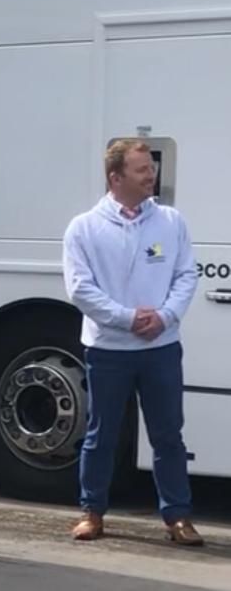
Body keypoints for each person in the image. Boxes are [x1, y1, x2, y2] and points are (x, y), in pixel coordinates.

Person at [62, 139, 202, 546]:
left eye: (151, 168)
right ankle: (92, 512)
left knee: (168, 435)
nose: (151, 175)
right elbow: (80, 289)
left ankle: (178, 517)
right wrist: (127, 318)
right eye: (142, 169)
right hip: (108, 350)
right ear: (115, 177)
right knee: (101, 434)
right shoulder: (84, 227)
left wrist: (164, 316)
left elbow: (186, 274)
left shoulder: (171, 221)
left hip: (161, 348)